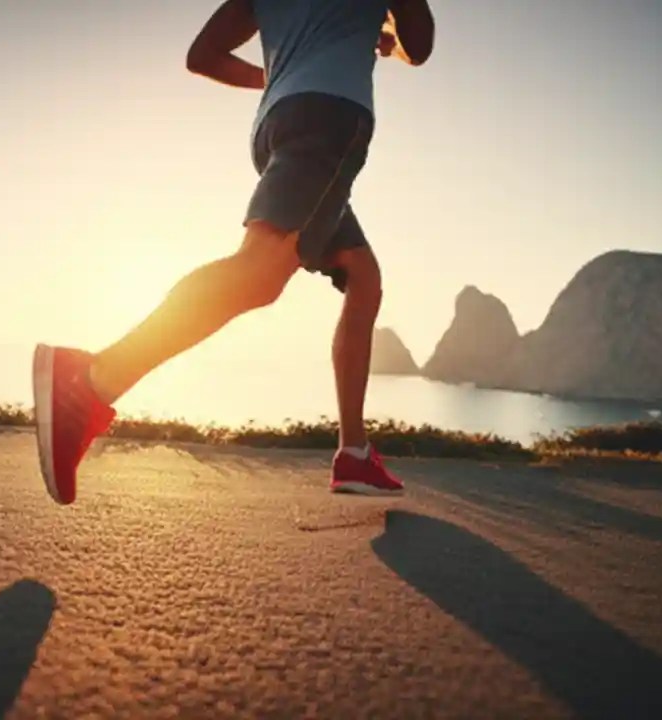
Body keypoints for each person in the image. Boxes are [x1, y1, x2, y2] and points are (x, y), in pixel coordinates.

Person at [32, 0, 435, 505]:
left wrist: (280, 73)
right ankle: (91, 381)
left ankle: (354, 452)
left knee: (361, 275)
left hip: (276, 123)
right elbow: (420, 44)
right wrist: (392, 33)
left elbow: (204, 55)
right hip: (332, 119)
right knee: (261, 272)